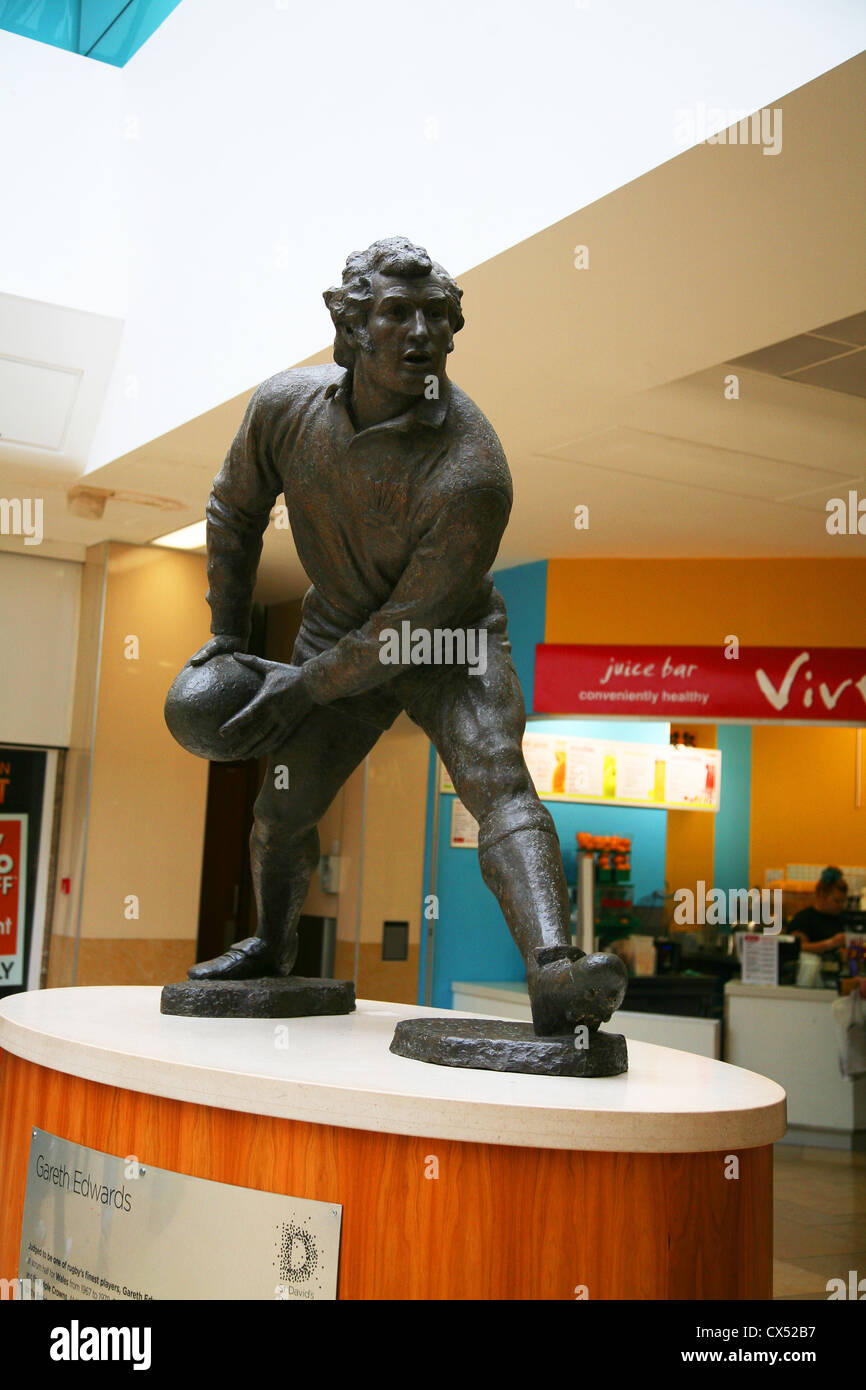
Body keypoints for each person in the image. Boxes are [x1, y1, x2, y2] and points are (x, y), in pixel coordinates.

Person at [176, 236, 627, 1035]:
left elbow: (406, 634)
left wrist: (303, 683)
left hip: (447, 644)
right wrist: (223, 638)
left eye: (436, 316)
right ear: (350, 327)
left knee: (498, 782)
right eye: (395, 313)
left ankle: (555, 970)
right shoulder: (285, 408)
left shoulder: (472, 470)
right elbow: (232, 510)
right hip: (337, 628)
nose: (420, 332)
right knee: (281, 809)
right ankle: (272, 948)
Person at [789, 866, 848, 955]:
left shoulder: (842, 918)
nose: (841, 905)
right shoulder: (803, 919)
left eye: (843, 901)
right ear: (822, 896)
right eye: (836, 901)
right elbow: (799, 947)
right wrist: (830, 943)